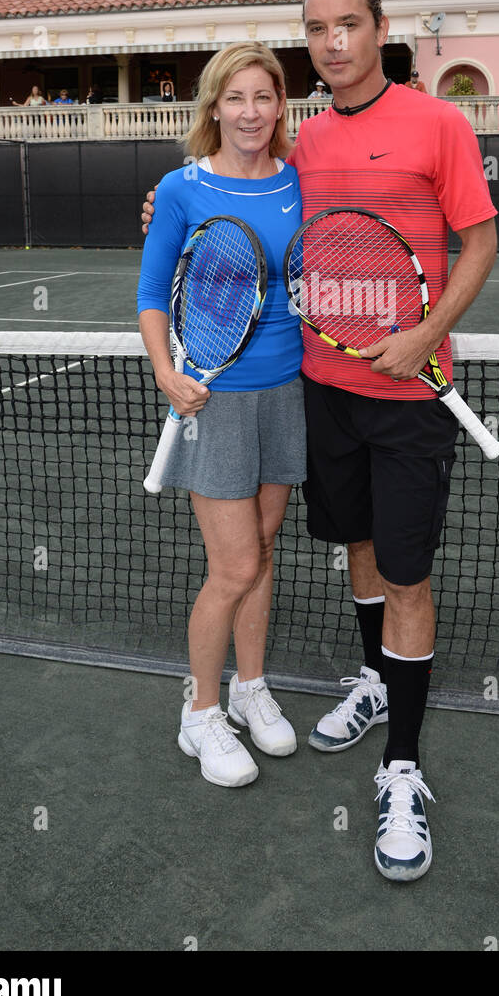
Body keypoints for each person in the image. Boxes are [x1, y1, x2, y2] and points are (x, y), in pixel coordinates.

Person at [143, 0, 497, 880]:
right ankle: (364, 681)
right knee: (354, 548)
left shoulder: (440, 124)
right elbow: (219, 205)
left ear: (380, 29)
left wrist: (423, 331)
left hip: (411, 393)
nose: (333, 42)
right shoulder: (304, 152)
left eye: (348, 25)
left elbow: (481, 241)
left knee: (405, 574)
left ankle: (402, 771)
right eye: (317, 30)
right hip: (321, 391)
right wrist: (163, 204)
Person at [137, 41, 306, 790]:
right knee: (233, 565)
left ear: (279, 106)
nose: (250, 113)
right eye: (234, 99)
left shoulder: (299, 183)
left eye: (263, 98)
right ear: (214, 107)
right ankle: (200, 711)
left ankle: (250, 686)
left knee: (264, 550)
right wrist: (166, 372)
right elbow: (149, 293)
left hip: (289, 387)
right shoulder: (179, 188)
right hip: (216, 395)